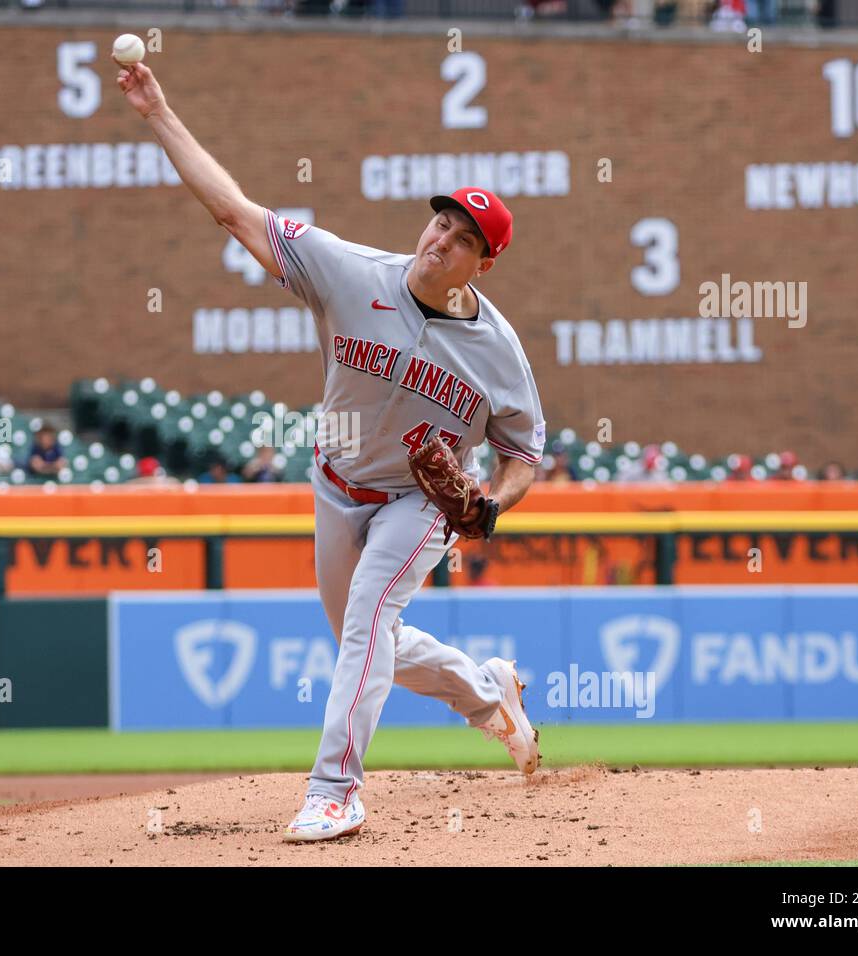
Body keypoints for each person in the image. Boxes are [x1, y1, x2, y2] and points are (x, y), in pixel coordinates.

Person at [115, 58, 544, 843]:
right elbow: (236, 214)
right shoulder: (352, 273)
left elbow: (524, 453)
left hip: (420, 505)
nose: (440, 239)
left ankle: (335, 791)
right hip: (337, 482)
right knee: (371, 635)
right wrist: (157, 112)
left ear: (486, 262)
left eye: (462, 238)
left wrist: (491, 505)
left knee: (366, 626)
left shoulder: (498, 352)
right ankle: (488, 694)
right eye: (440, 222)